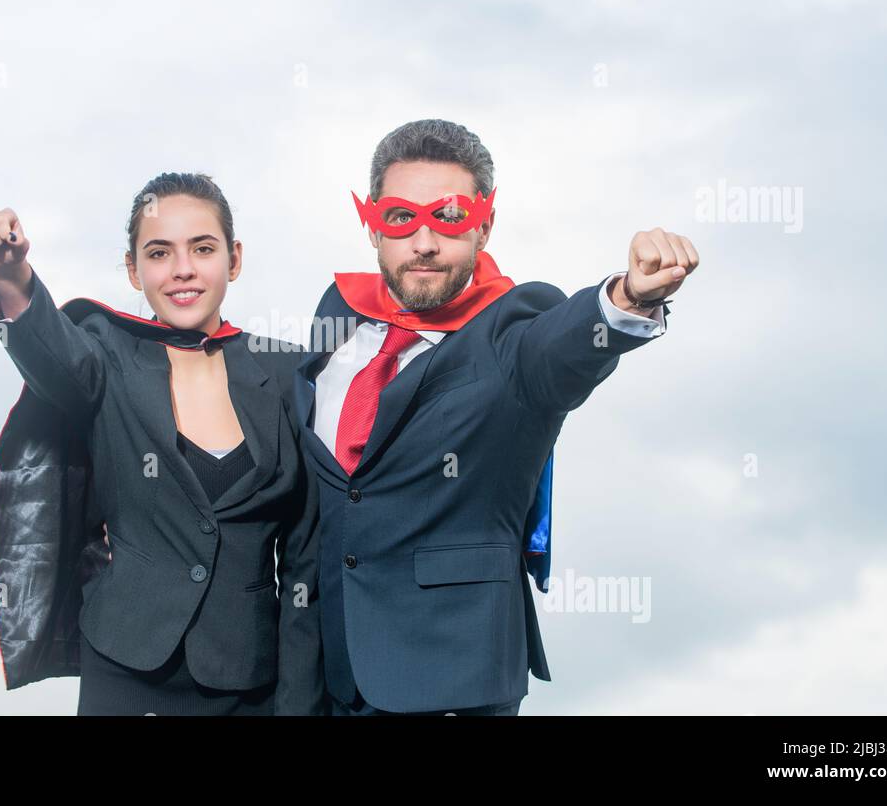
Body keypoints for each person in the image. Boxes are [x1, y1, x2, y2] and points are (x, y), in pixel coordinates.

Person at [293, 119, 699, 715]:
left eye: (449, 218)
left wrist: (628, 298)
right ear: (372, 226)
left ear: (484, 226)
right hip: (329, 680)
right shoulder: (339, 315)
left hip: (453, 679)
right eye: (401, 219)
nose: (424, 243)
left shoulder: (514, 333)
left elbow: (567, 344)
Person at [0, 172, 325, 715]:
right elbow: (49, 356)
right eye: (159, 253)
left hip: (250, 677)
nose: (182, 269)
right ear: (134, 270)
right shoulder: (105, 357)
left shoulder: (288, 373)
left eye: (202, 249)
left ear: (234, 259)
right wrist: (10, 272)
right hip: (126, 669)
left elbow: (305, 563)